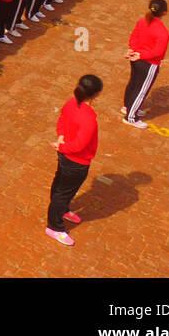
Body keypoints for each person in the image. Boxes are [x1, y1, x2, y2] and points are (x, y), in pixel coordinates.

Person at [46, 74, 102, 247]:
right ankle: (55, 226)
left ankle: (62, 210)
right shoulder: (89, 118)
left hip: (64, 155)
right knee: (63, 192)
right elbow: (79, 145)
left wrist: (61, 137)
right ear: (96, 94)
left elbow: (61, 121)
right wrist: (62, 147)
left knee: (60, 185)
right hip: (76, 161)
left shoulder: (70, 103)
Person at [122, 0, 169, 129]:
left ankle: (127, 107)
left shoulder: (141, 21)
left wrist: (132, 50)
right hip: (149, 64)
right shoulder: (163, 33)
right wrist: (141, 55)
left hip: (135, 59)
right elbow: (159, 52)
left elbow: (134, 36)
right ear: (164, 13)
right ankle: (131, 117)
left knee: (133, 83)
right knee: (141, 90)